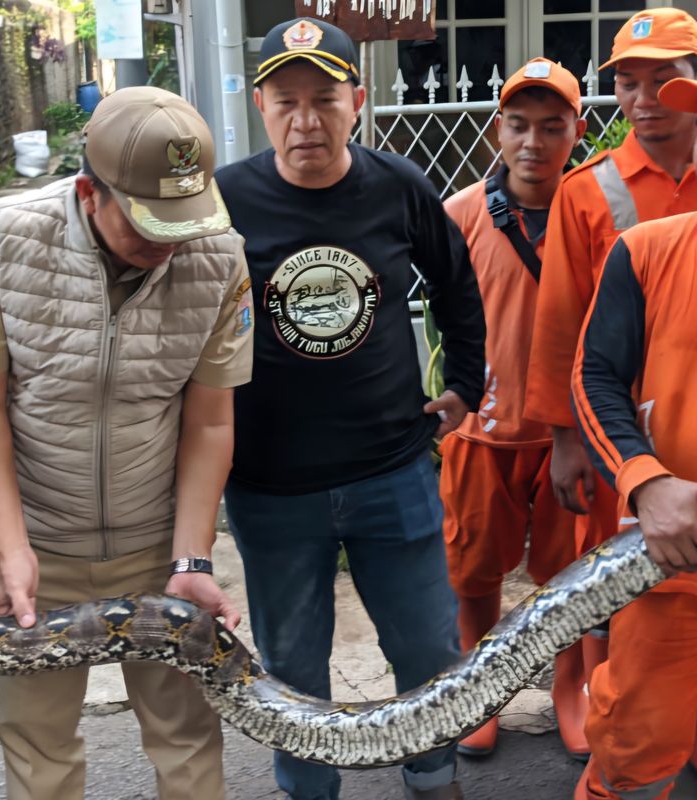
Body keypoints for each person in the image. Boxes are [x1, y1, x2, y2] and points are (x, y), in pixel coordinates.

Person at [0, 85, 252, 800]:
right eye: (147, 224)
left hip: (156, 545)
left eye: (183, 222)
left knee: (187, 735)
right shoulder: (6, 238)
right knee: (39, 744)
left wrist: (191, 555)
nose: (168, 243)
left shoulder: (219, 257)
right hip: (40, 548)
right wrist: (10, 548)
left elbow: (209, 419)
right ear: (89, 192)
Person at [214, 18, 486, 800]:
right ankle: (309, 791)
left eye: (324, 99)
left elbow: (457, 287)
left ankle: (433, 775)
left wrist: (465, 384)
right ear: (261, 106)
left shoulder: (398, 186)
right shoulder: (225, 200)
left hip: (391, 471)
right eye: (287, 101)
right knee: (293, 667)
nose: (307, 120)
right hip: (270, 486)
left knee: (426, 647)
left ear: (357, 101)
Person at [524, 9, 697, 796]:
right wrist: (567, 437)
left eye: (665, 80)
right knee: (613, 590)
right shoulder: (597, 195)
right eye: (628, 81)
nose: (647, 98)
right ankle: (593, 700)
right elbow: (564, 333)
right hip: (633, 449)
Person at [570, 53, 697, 800]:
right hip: (666, 561)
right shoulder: (645, 252)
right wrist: (645, 482)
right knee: (630, 749)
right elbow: (594, 380)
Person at [439, 58, 588, 760]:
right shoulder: (460, 214)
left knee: (570, 578)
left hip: (570, 434)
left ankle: (571, 690)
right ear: (498, 130)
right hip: (482, 432)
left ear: (576, 131)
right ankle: (484, 687)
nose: (534, 142)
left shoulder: (592, 210)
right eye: (520, 125)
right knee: (475, 573)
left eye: (552, 126)